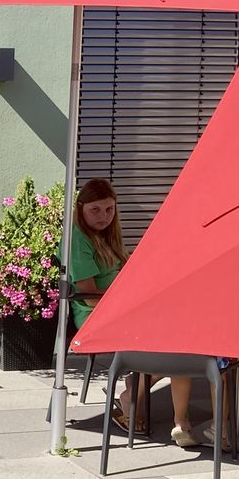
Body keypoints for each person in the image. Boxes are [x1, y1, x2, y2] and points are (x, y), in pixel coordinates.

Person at [71, 178, 199, 448]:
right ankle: (146, 400)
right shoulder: (77, 240)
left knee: (184, 331)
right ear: (80, 208)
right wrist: (133, 302)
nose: (104, 216)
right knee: (178, 339)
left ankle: (157, 404)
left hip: (122, 309)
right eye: (95, 210)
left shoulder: (107, 237)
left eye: (109, 209)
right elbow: (90, 297)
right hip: (96, 315)